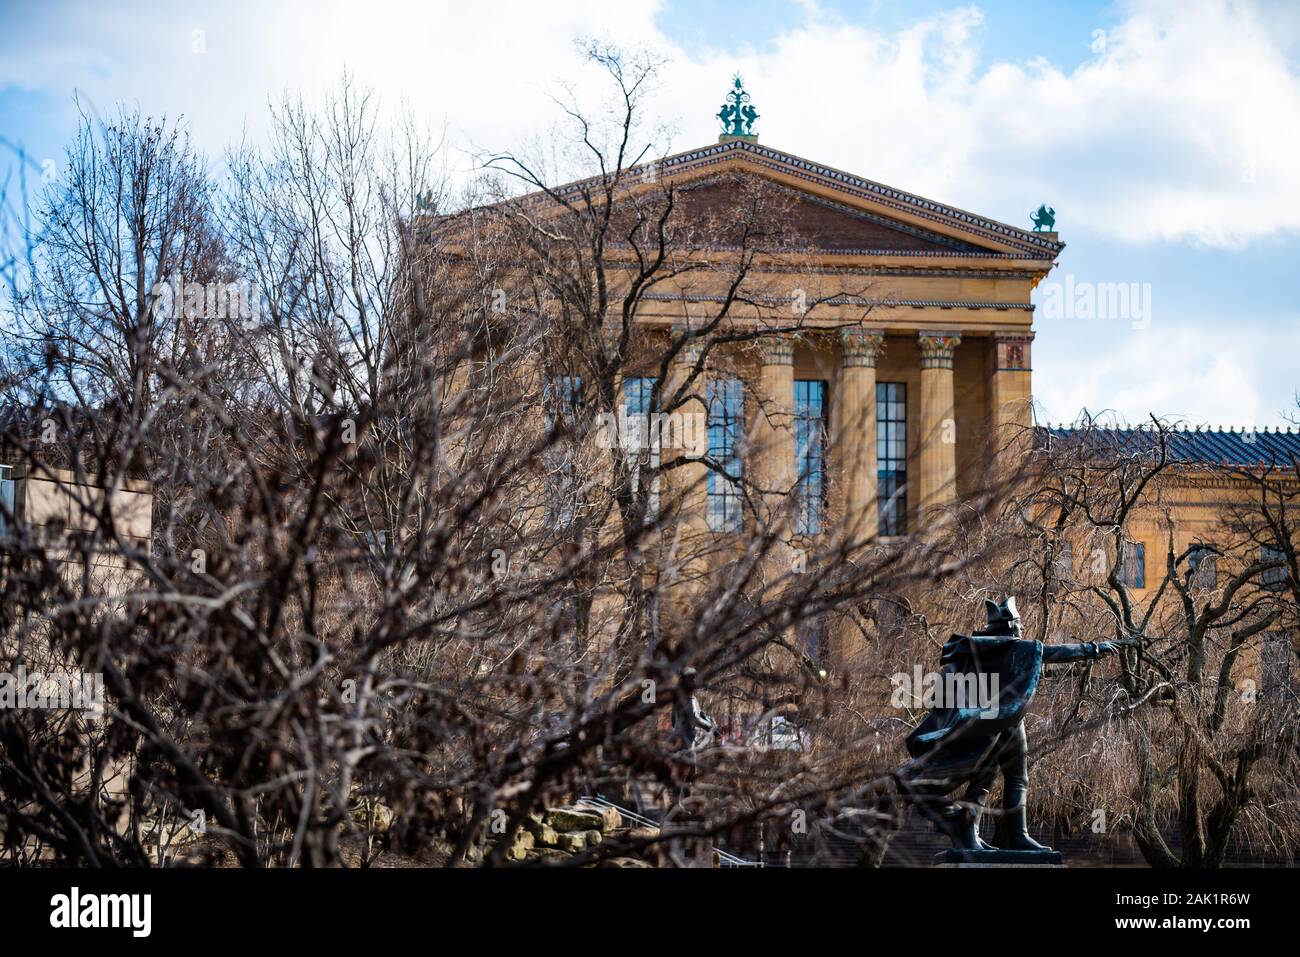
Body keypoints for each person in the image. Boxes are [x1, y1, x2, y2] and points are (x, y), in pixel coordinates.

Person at [900, 596, 1133, 852]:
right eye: (1020, 624)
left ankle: (984, 834)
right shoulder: (1017, 647)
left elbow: (940, 696)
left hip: (988, 723)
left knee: (992, 778)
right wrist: (1096, 648)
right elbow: (1056, 652)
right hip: (1000, 723)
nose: (1022, 628)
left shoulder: (967, 651)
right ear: (1011, 625)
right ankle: (1000, 834)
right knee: (1009, 778)